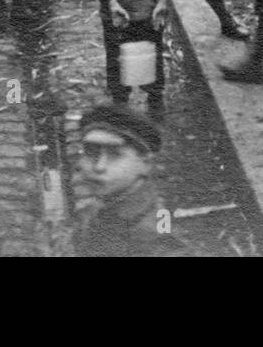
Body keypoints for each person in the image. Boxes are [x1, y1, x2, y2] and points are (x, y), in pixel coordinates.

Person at [73, 105, 182, 256]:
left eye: (114, 154)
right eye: (92, 152)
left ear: (145, 164)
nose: (99, 166)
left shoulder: (157, 227)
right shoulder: (104, 208)